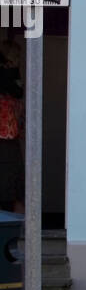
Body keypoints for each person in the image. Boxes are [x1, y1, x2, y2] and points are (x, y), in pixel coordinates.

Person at [0, 41, 24, 213]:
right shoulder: (6, 75)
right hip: (5, 138)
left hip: (11, 136)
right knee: (11, 184)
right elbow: (17, 91)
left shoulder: (12, 75)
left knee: (14, 183)